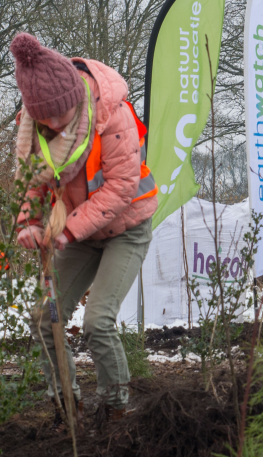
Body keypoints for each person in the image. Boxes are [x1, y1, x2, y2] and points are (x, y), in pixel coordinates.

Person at [9, 33, 158, 425]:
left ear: (74, 96)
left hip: (126, 229)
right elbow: (35, 181)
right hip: (80, 233)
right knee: (44, 318)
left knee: (97, 321)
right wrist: (28, 222)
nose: (55, 125)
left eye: (60, 115)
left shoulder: (112, 116)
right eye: (45, 119)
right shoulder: (36, 128)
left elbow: (122, 187)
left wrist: (66, 231)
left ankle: (116, 409)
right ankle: (66, 407)